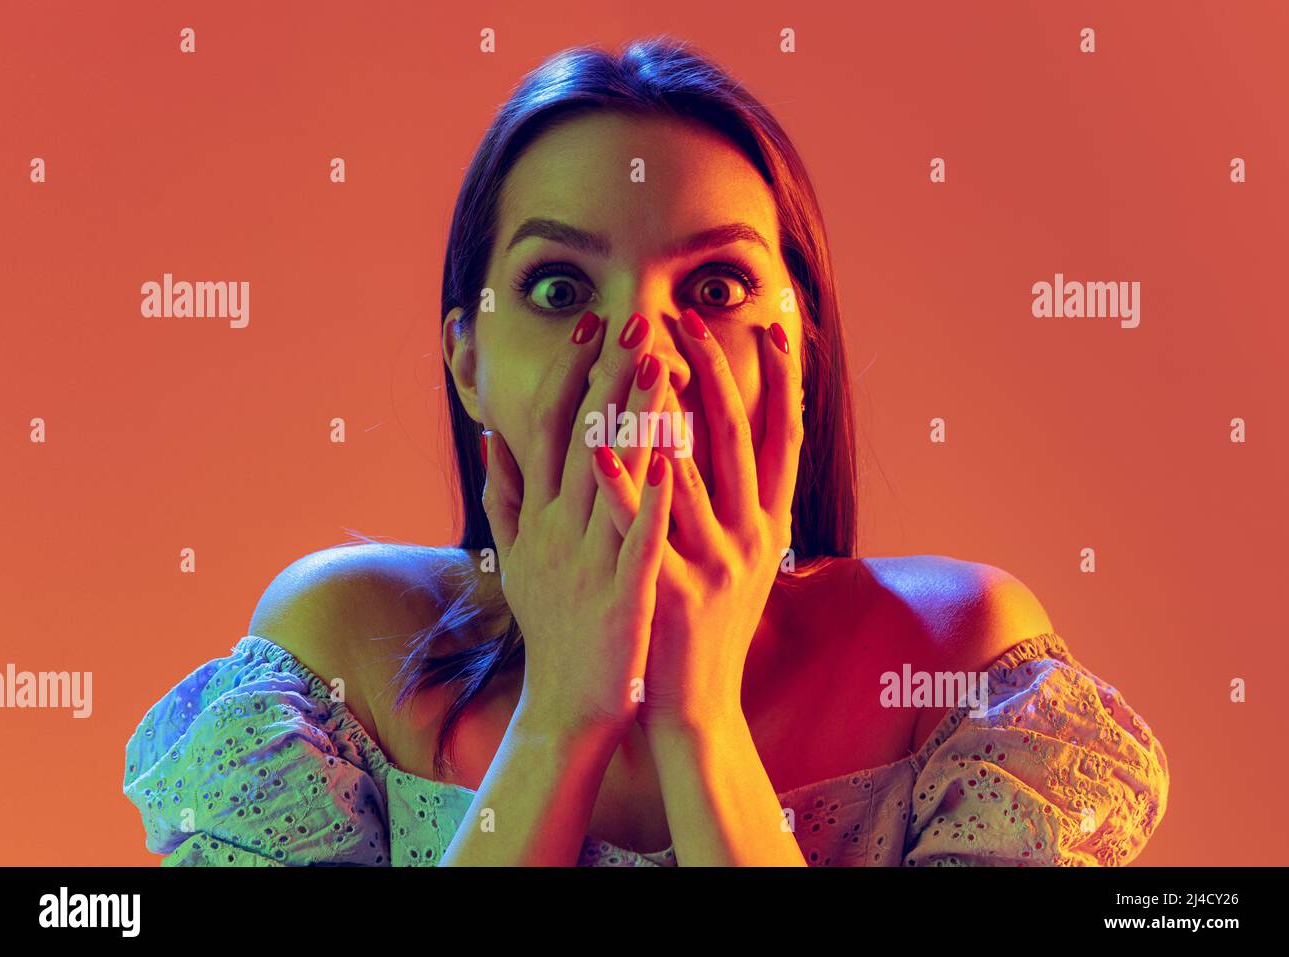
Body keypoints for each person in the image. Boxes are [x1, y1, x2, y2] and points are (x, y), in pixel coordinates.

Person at [123, 36, 1169, 867]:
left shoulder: (958, 670)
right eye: (560, 288)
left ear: (797, 352)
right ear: (469, 360)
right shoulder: (335, 651)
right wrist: (562, 720)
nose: (646, 357)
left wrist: (701, 724)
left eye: (713, 290)